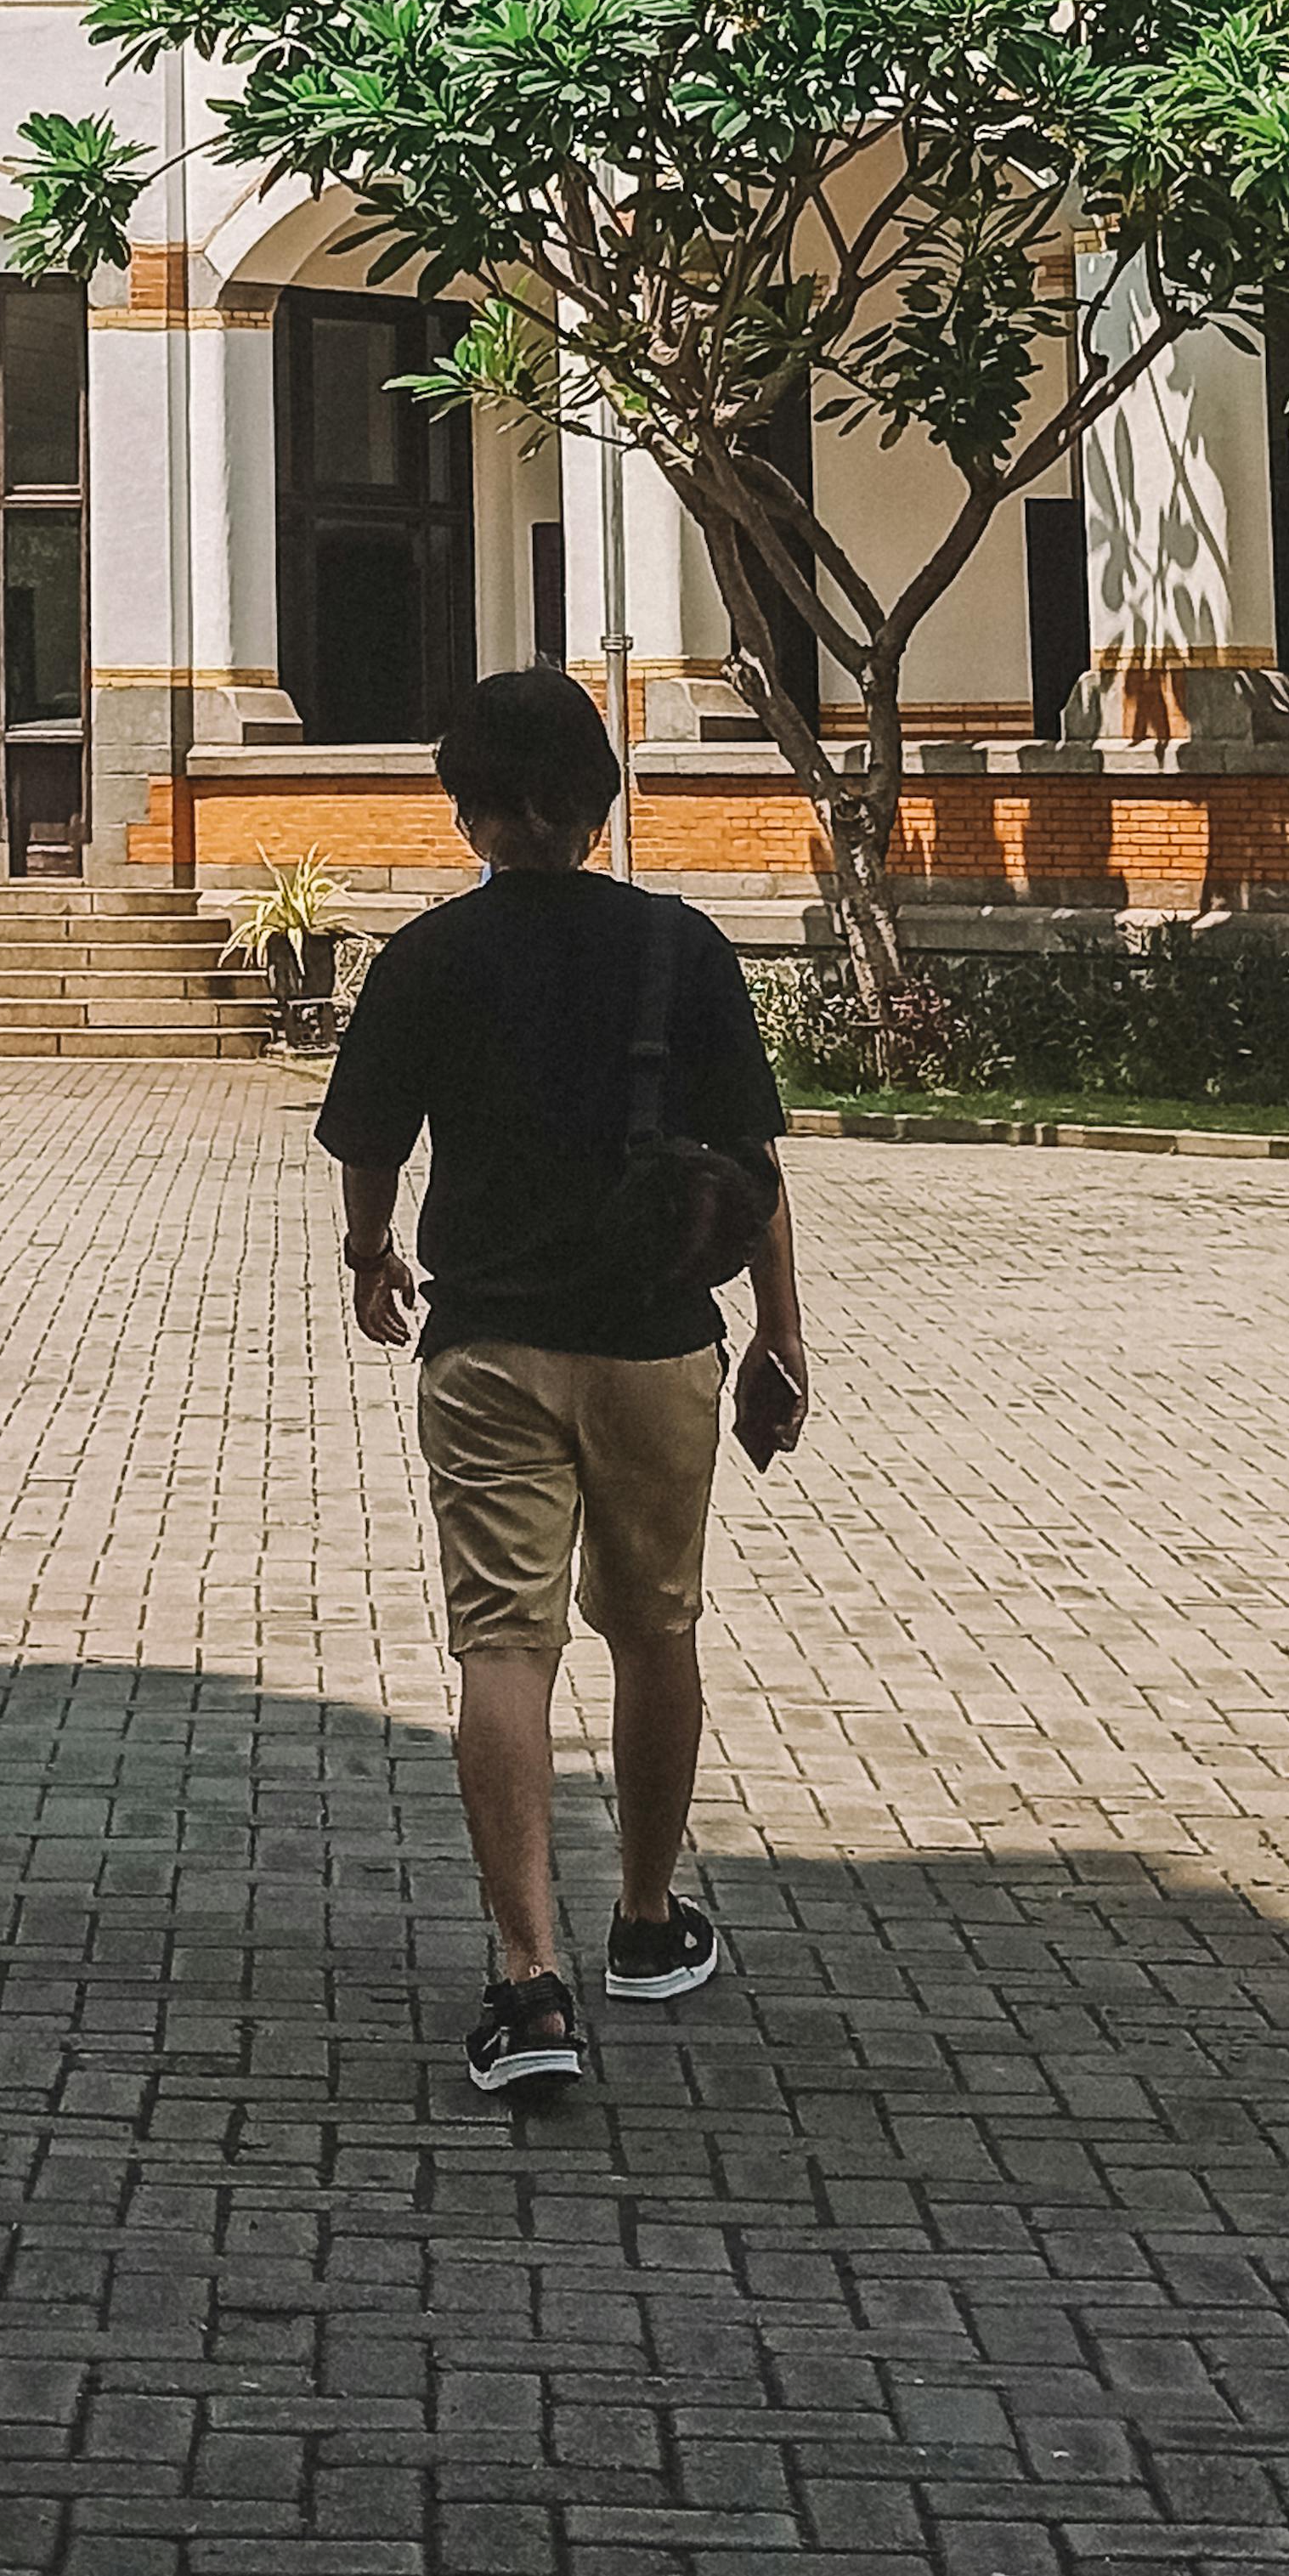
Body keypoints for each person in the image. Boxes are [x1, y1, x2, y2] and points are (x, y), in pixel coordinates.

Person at [314, 668, 811, 2106]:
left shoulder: (431, 956)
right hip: (659, 1346)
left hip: (489, 1349)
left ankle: (527, 1983)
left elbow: (369, 1140)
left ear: (468, 811)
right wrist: (781, 1330)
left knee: (505, 1649)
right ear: (600, 804)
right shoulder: (682, 947)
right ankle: (648, 1923)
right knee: (656, 1629)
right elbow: (755, 1160)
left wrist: (370, 1253)